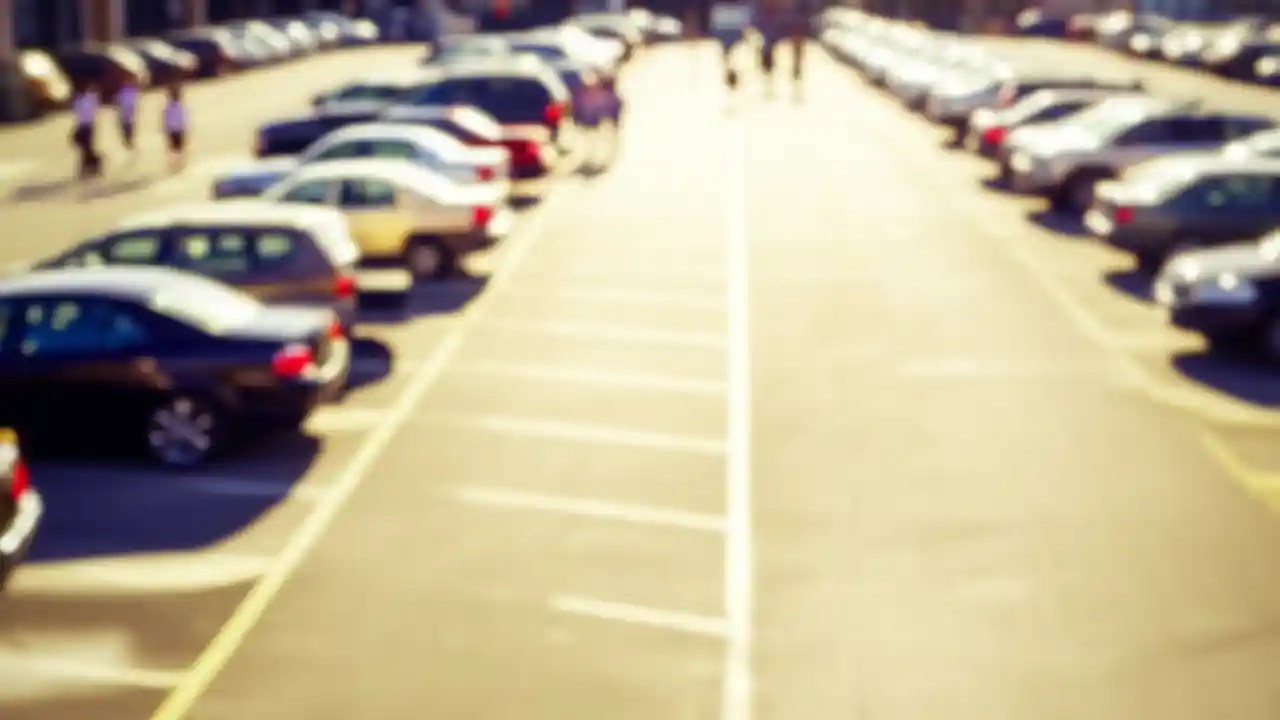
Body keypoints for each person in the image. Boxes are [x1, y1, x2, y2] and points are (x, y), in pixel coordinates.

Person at [70, 83, 102, 179]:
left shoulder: (90, 97)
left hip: (88, 126)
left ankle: (89, 166)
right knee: (84, 146)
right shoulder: (79, 98)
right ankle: (94, 162)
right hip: (82, 125)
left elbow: (95, 103)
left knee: (85, 148)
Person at [163, 84, 188, 171]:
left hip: (174, 129)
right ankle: (178, 163)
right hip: (177, 128)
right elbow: (182, 117)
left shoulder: (169, 107)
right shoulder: (175, 106)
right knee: (178, 148)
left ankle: (176, 163)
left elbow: (167, 118)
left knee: (175, 148)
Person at [115, 74, 140, 152]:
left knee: (127, 127)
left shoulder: (126, 90)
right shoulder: (129, 90)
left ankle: (128, 141)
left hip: (126, 112)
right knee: (128, 127)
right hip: (126, 112)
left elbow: (118, 100)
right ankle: (128, 141)